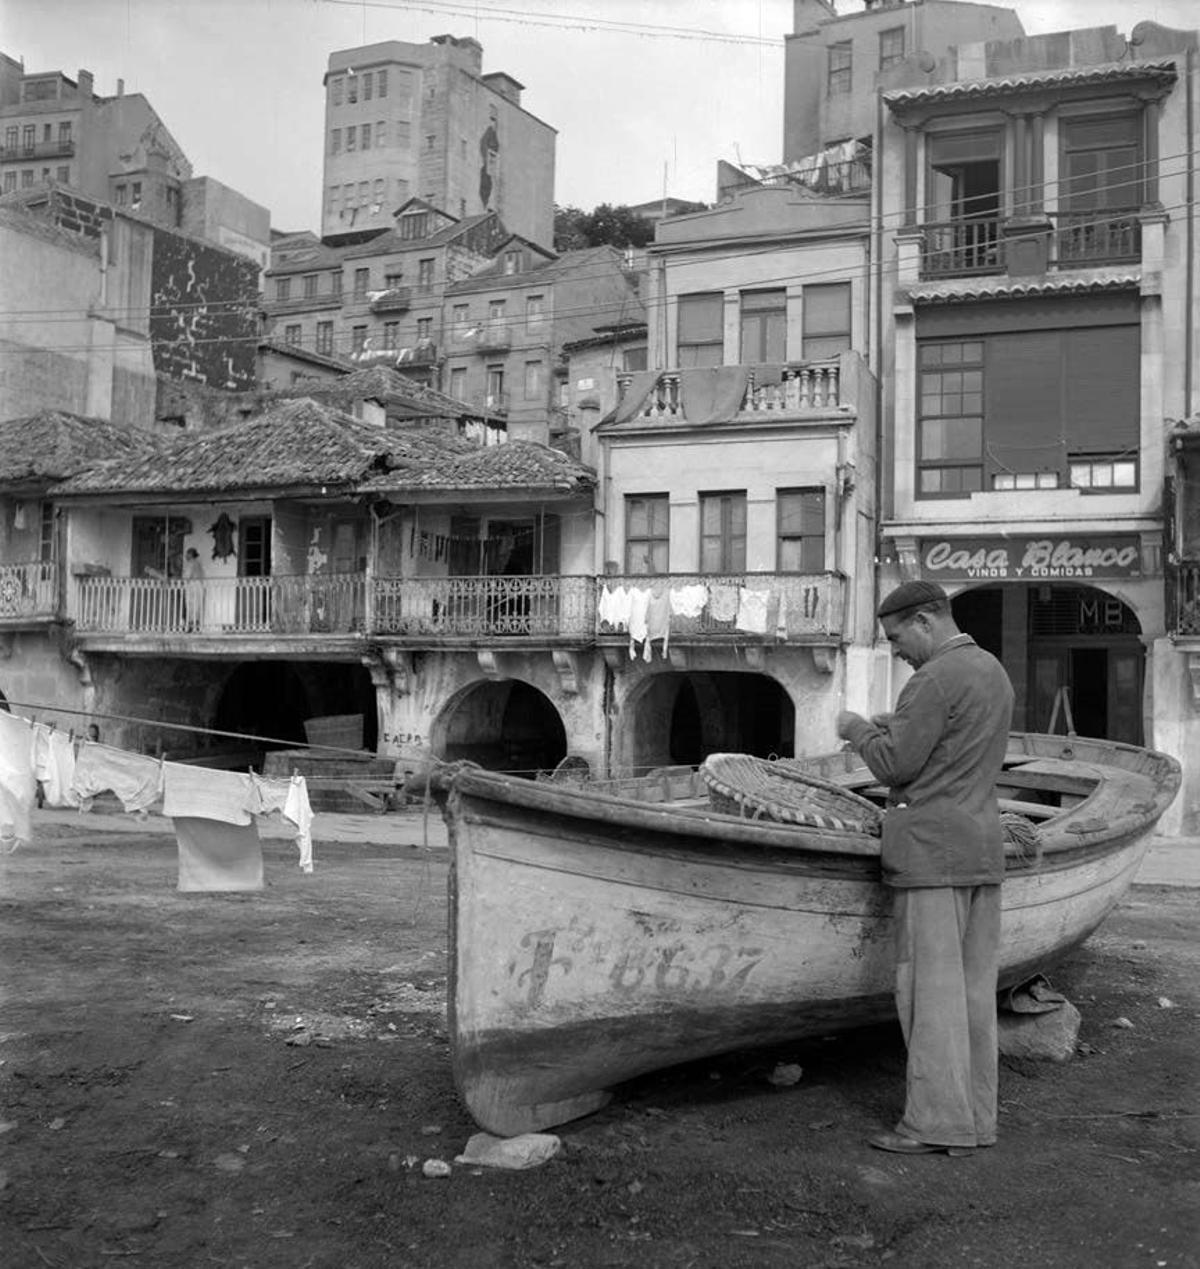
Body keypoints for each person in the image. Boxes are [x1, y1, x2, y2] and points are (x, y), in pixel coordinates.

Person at [836, 579, 1014, 1158]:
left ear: (925, 621)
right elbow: (951, 748)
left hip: (931, 857)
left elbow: (895, 766)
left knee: (931, 998)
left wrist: (857, 728)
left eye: (897, 639)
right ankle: (975, 1122)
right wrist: (902, 722)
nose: (898, 651)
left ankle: (934, 1125)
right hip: (981, 851)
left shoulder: (931, 679)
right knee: (972, 997)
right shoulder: (991, 670)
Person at [183, 548, 205, 630]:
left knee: (191, 606)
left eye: (187, 554)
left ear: (191, 554)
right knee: (197, 606)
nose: (186, 556)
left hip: (193, 585)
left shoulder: (191, 563)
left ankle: (191, 625)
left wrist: (184, 581)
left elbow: (187, 576)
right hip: (199, 585)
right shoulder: (198, 563)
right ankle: (196, 625)